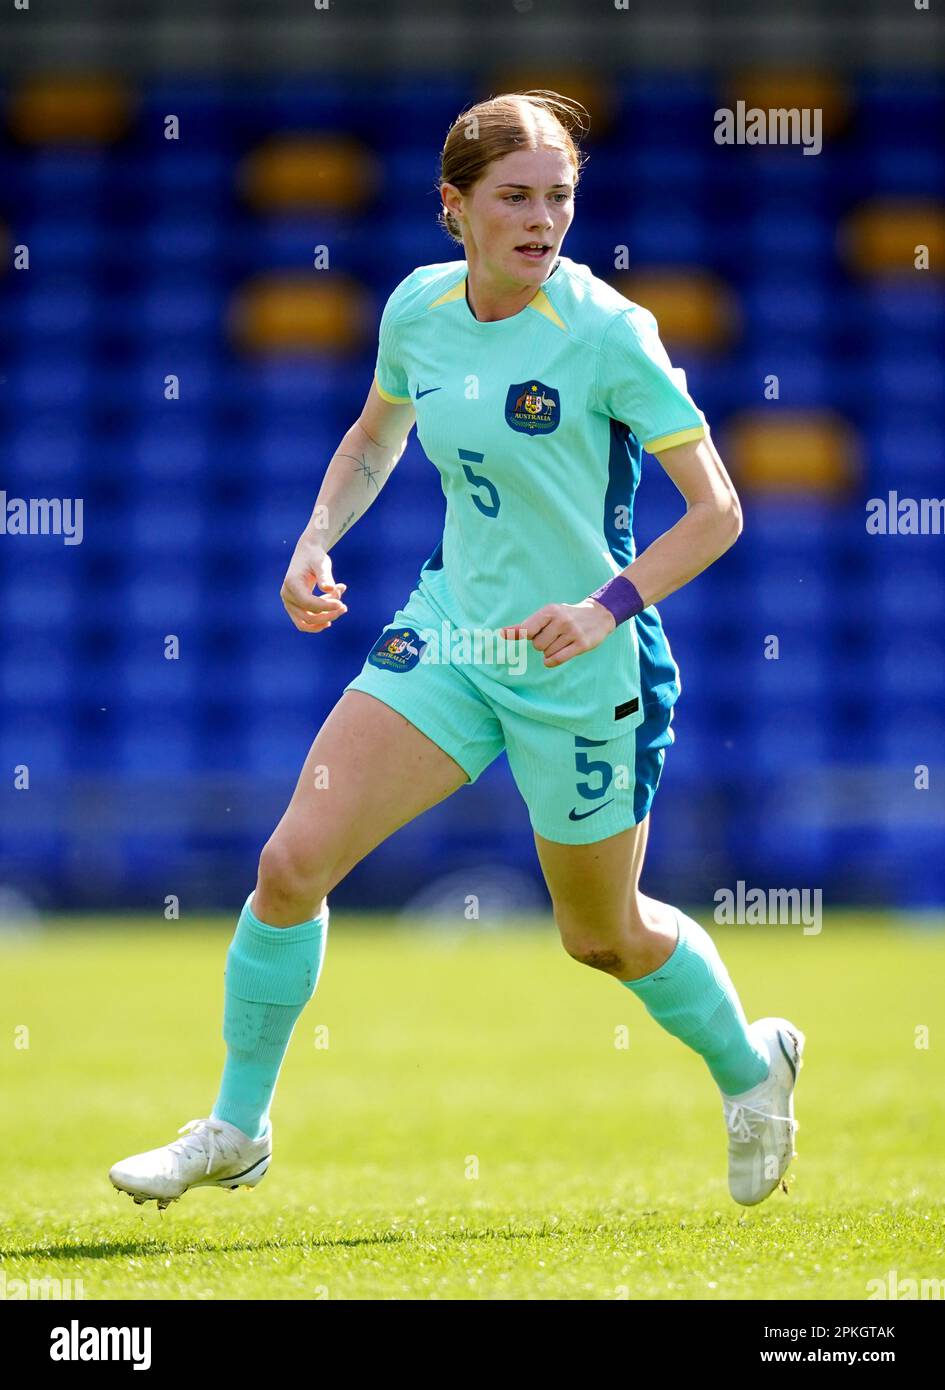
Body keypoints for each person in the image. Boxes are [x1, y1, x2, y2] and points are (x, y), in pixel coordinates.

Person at [109, 90, 803, 1212]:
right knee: (291, 867)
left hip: (585, 668)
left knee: (603, 935)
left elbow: (717, 511)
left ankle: (750, 1066)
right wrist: (316, 537)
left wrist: (606, 606)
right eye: (515, 197)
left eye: (560, 197)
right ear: (456, 207)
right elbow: (377, 433)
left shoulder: (607, 332)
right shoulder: (419, 310)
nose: (542, 221)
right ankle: (236, 1126)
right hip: (451, 636)